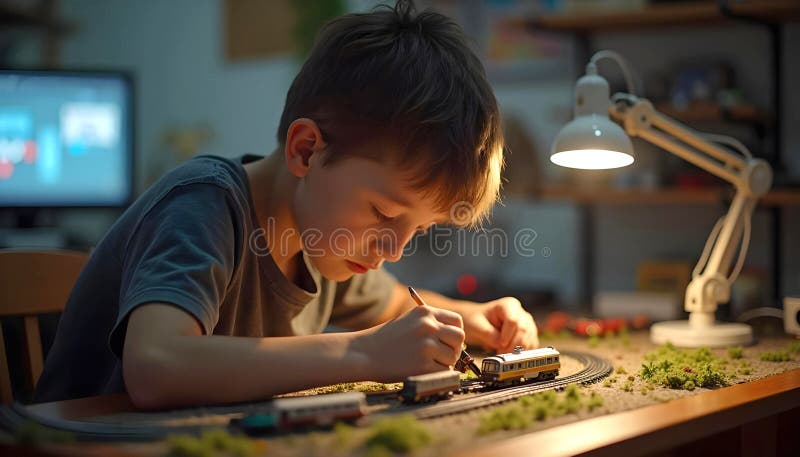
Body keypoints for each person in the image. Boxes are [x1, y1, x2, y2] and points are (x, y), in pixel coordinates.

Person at [34, 0, 538, 409]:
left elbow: (392, 306)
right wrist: (361, 352)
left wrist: (471, 318)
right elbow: (156, 366)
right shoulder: (204, 208)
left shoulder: (328, 241)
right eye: (385, 213)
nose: (392, 248)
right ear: (305, 150)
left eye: (418, 229)